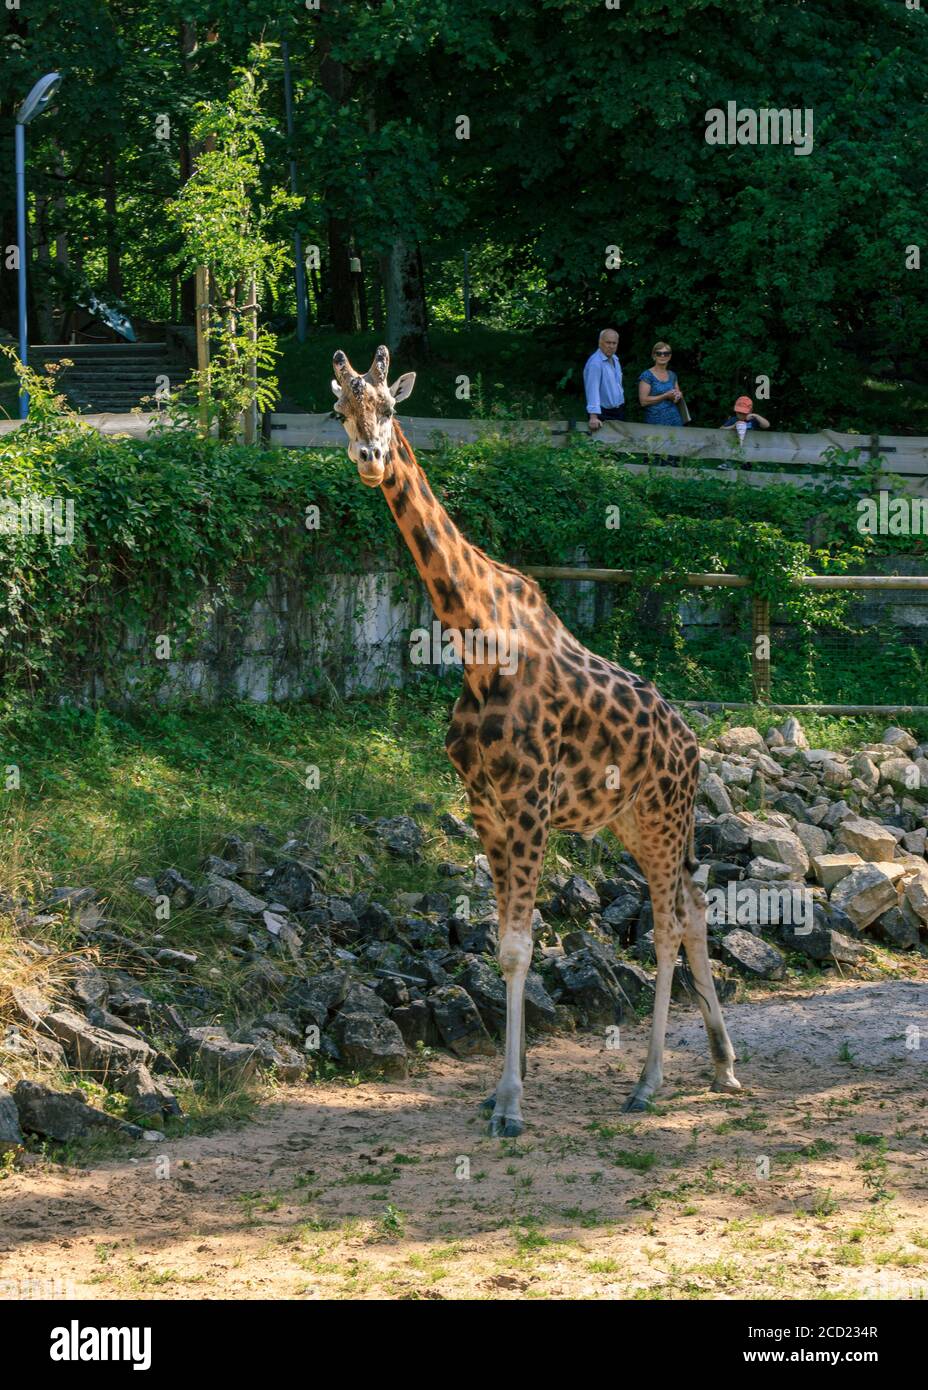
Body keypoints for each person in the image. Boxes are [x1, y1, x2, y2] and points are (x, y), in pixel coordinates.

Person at [584, 328, 625, 430]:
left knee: (620, 443)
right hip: (602, 413)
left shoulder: (615, 359)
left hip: (618, 410)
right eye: (608, 342)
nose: (611, 346)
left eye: (614, 343)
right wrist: (593, 417)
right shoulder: (595, 363)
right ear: (600, 342)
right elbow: (592, 390)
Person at [638, 342, 685, 426]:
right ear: (654, 356)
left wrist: (678, 395)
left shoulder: (672, 375)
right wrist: (665, 396)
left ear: (670, 356)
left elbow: (676, 398)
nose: (662, 356)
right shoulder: (647, 375)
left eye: (666, 353)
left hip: (675, 420)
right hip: (655, 421)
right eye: (659, 353)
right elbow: (643, 401)